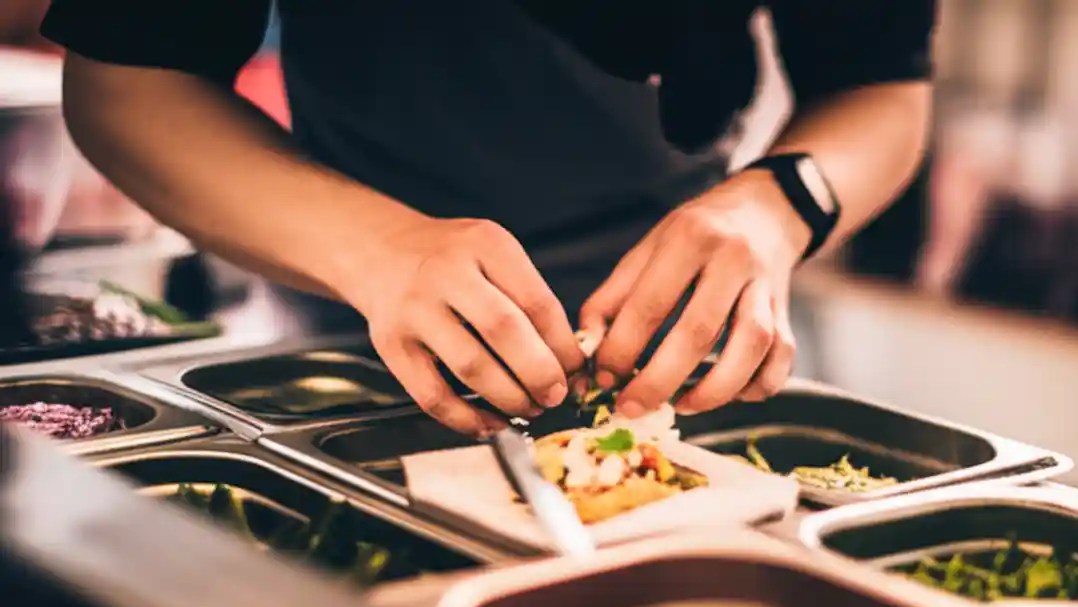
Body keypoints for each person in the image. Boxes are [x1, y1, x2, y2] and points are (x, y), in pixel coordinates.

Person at [40, 1, 936, 436]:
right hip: (345, 352)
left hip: (697, 358)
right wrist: (378, 252)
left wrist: (779, 206)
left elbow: (882, 88)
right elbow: (126, 86)